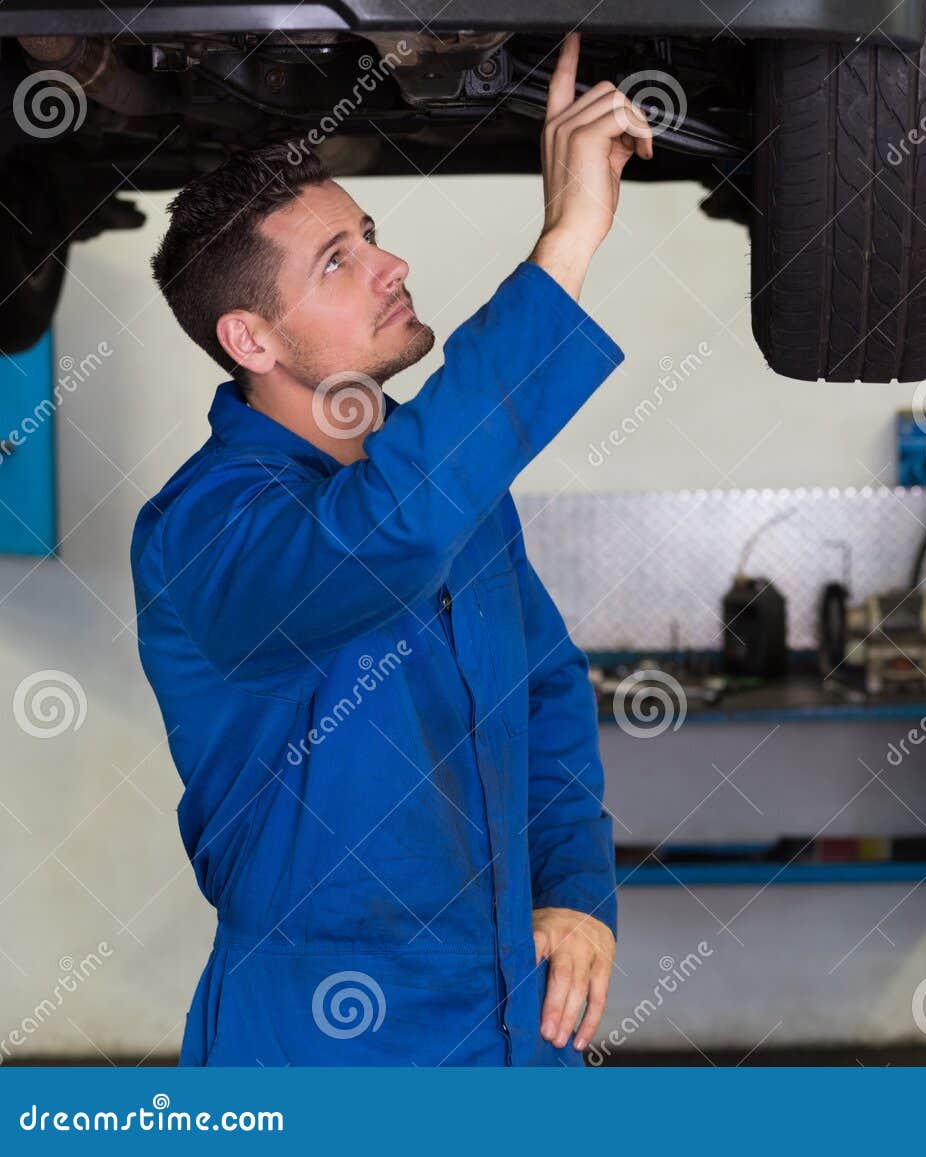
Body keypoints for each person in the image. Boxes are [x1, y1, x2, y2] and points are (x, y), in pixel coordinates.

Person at [132, 33, 653, 1065]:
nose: (390, 264)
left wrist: (574, 890)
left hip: (518, 1019)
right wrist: (565, 243)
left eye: (368, 234)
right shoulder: (202, 531)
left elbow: (543, 693)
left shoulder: (450, 484)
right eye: (339, 261)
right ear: (252, 341)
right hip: (323, 1045)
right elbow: (384, 535)